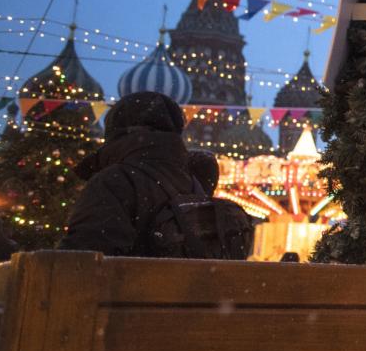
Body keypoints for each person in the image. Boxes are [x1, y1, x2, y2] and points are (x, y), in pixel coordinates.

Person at [59, 91, 249, 259]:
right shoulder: (194, 182)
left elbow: (78, 263)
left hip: (131, 297)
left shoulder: (114, 181)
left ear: (116, 132)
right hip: (193, 296)